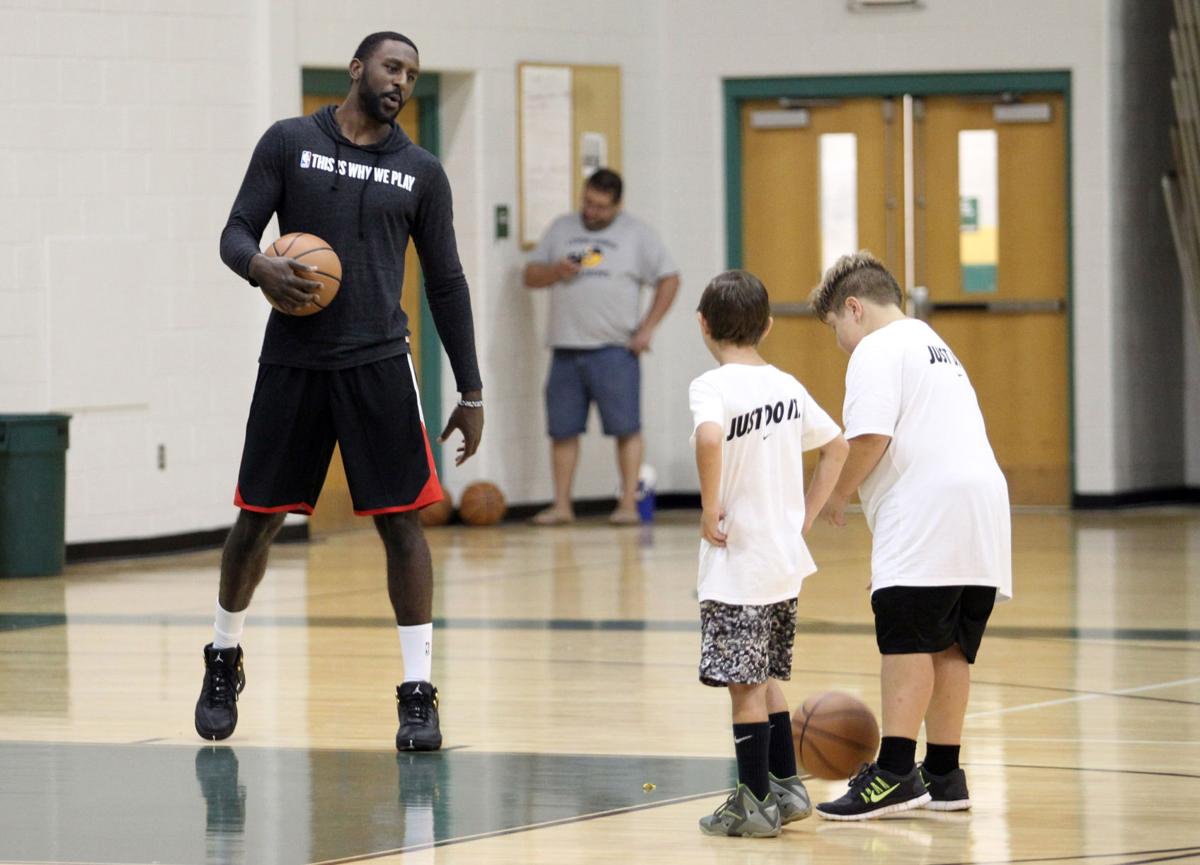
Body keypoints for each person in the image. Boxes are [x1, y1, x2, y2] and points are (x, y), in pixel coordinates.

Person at [199, 31, 483, 752]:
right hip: (293, 363)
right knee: (257, 520)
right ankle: (223, 654)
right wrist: (259, 267)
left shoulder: (421, 171)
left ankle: (418, 694)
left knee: (401, 524)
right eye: (393, 67)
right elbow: (235, 230)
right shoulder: (289, 141)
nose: (402, 82)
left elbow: (446, 282)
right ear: (357, 69)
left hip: (379, 362)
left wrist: (472, 388)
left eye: (414, 74)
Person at [810, 251, 1012, 820]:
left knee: (905, 639)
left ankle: (895, 773)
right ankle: (944, 774)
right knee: (949, 643)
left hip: (929, 507)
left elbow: (869, 438)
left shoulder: (876, 349)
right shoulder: (933, 342)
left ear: (854, 308)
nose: (841, 344)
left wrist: (835, 494)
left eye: (836, 330)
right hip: (983, 504)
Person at [688, 270, 849, 837]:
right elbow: (837, 447)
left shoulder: (712, 387)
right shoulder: (786, 384)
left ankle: (751, 803)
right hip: (782, 563)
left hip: (739, 564)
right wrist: (803, 516)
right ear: (769, 326)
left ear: (703, 324)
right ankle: (786, 786)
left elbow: (710, 438)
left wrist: (710, 508)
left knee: (744, 688)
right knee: (762, 676)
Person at [523, 169, 680, 525]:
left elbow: (670, 279)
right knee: (562, 429)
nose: (591, 212)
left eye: (601, 207)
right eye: (587, 203)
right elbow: (530, 276)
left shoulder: (637, 235)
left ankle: (626, 504)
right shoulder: (561, 229)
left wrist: (647, 329)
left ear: (617, 205)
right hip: (565, 347)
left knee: (625, 427)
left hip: (615, 349)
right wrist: (555, 272)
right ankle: (562, 505)